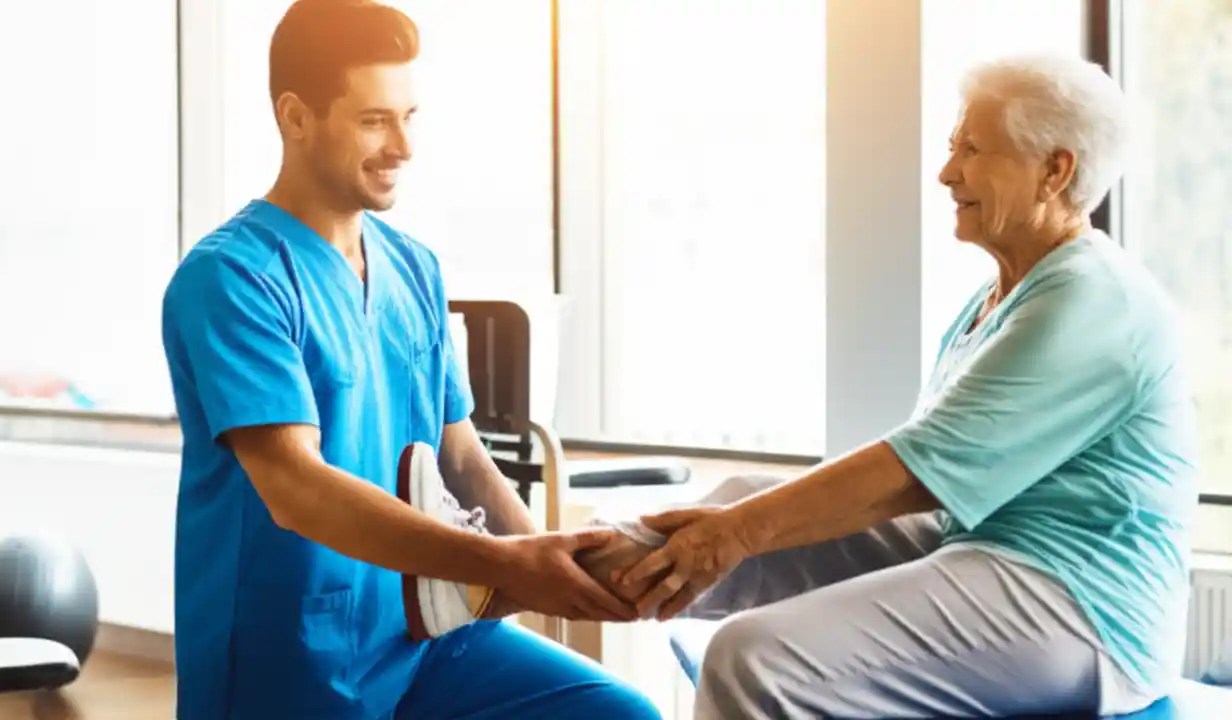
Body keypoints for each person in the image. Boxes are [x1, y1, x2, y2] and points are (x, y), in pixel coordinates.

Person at [599, 53, 1200, 719]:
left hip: (1087, 607)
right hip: (978, 541)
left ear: (1055, 171)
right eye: (952, 146)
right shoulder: (1006, 294)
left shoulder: (1093, 301)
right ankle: (551, 565)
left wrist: (735, 535)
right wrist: (707, 534)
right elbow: (927, 480)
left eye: (973, 149)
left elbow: (919, 472)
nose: (948, 173)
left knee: (751, 659)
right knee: (740, 500)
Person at [160, 2, 659, 718]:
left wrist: (559, 564)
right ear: (297, 117)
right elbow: (294, 488)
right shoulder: (232, 279)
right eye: (373, 120)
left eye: (409, 116)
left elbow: (461, 458)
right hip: (292, 657)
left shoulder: (414, 269)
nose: (404, 146)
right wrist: (505, 566)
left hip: (425, 638)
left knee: (619, 713)